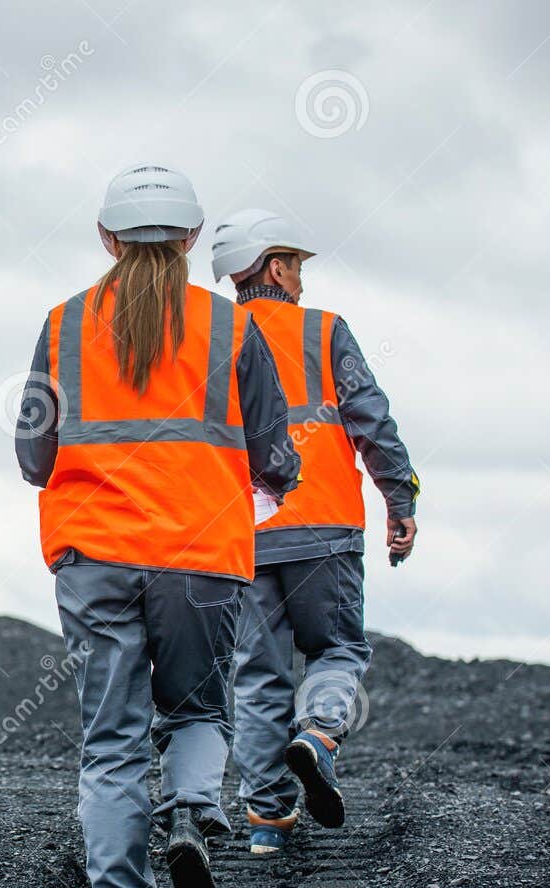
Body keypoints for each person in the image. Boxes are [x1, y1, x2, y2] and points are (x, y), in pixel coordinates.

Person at [16, 165, 300, 888]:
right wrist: (270, 483)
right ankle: (192, 818)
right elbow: (276, 452)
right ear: (192, 238)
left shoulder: (63, 326)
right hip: (202, 554)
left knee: (111, 741)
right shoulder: (232, 329)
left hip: (94, 553)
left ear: (106, 237)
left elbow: (34, 453)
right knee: (199, 709)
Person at [208, 209, 420, 855]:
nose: (300, 278)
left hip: (242, 533)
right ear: (275, 266)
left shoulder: (211, 337)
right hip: (325, 524)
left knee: (258, 675)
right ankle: (320, 733)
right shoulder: (325, 330)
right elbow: (371, 419)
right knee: (337, 651)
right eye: (295, 264)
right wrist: (399, 495)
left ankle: (267, 821)